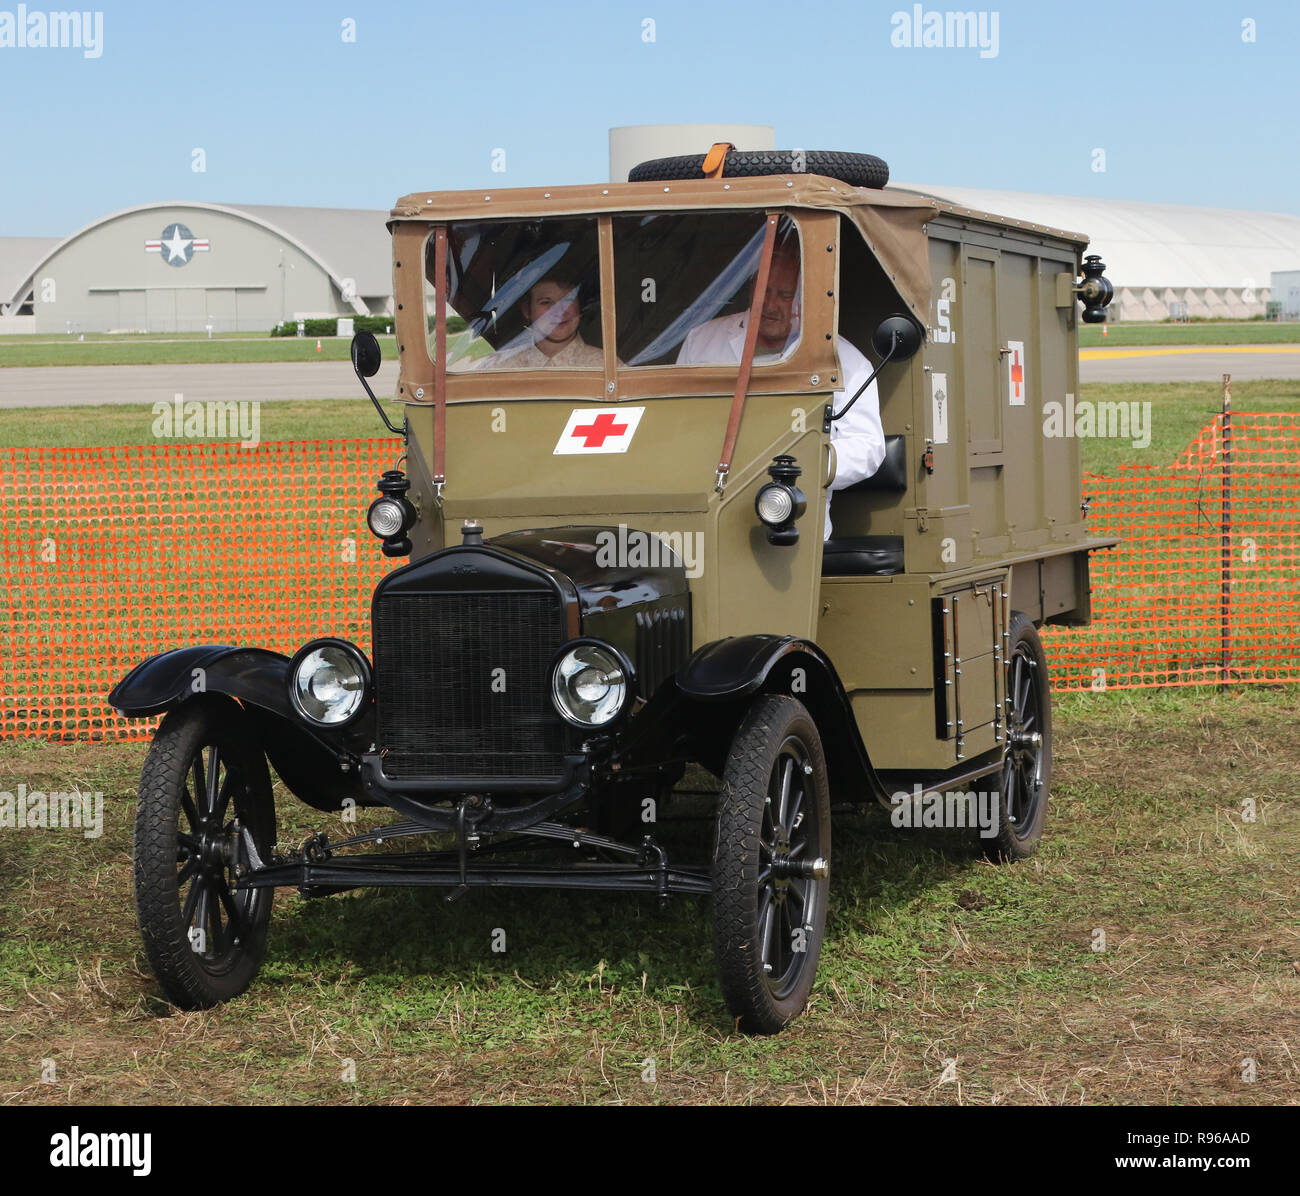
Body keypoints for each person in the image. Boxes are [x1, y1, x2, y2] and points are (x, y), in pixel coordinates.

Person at [675, 246, 886, 538]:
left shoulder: (844, 359)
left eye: (785, 296)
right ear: (751, 288)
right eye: (765, 291)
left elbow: (868, 447)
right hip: (709, 519)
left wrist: (805, 464)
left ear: (805, 297)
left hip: (795, 526)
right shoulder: (702, 341)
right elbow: (677, 424)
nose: (771, 305)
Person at [477, 274, 605, 369]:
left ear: (580, 306)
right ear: (527, 310)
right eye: (546, 302)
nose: (560, 311)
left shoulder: (605, 366)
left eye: (568, 300)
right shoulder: (500, 366)